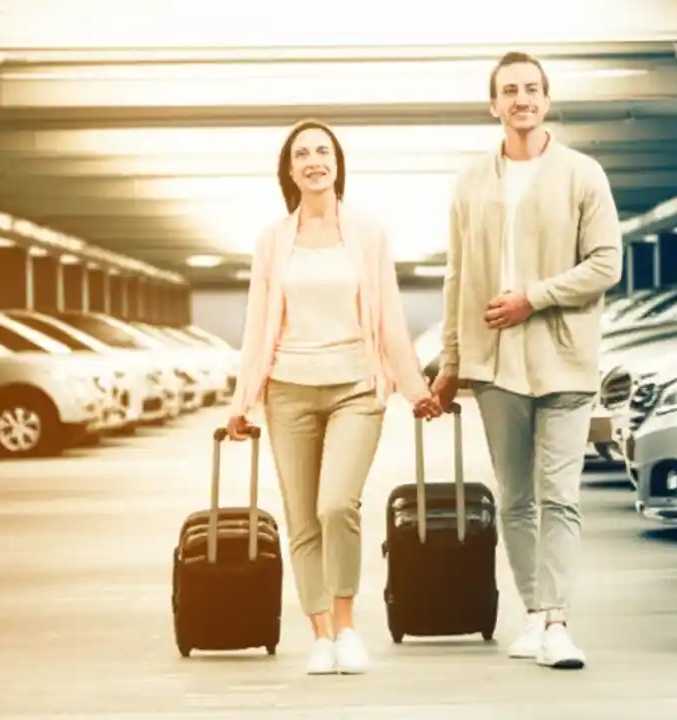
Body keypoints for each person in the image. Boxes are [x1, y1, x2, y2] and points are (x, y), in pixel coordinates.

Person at [224, 119, 443, 676]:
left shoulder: (367, 233)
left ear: (338, 164)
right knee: (302, 517)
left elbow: (390, 314)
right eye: (303, 153)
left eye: (324, 151)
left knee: (335, 506)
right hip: (288, 390)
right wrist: (243, 401)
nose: (315, 160)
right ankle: (319, 632)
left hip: (354, 386)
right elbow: (256, 326)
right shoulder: (273, 240)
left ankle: (346, 626)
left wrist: (414, 387)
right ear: (290, 169)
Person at [430, 51, 623, 670]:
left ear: (546, 99)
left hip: (564, 359)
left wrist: (531, 299)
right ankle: (534, 612)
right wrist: (450, 361)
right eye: (509, 90)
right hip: (494, 365)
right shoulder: (470, 182)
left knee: (559, 495)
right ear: (494, 105)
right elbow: (457, 277)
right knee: (515, 497)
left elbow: (605, 264)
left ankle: (560, 621)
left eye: (532, 88)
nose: (522, 98)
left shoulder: (582, 173)